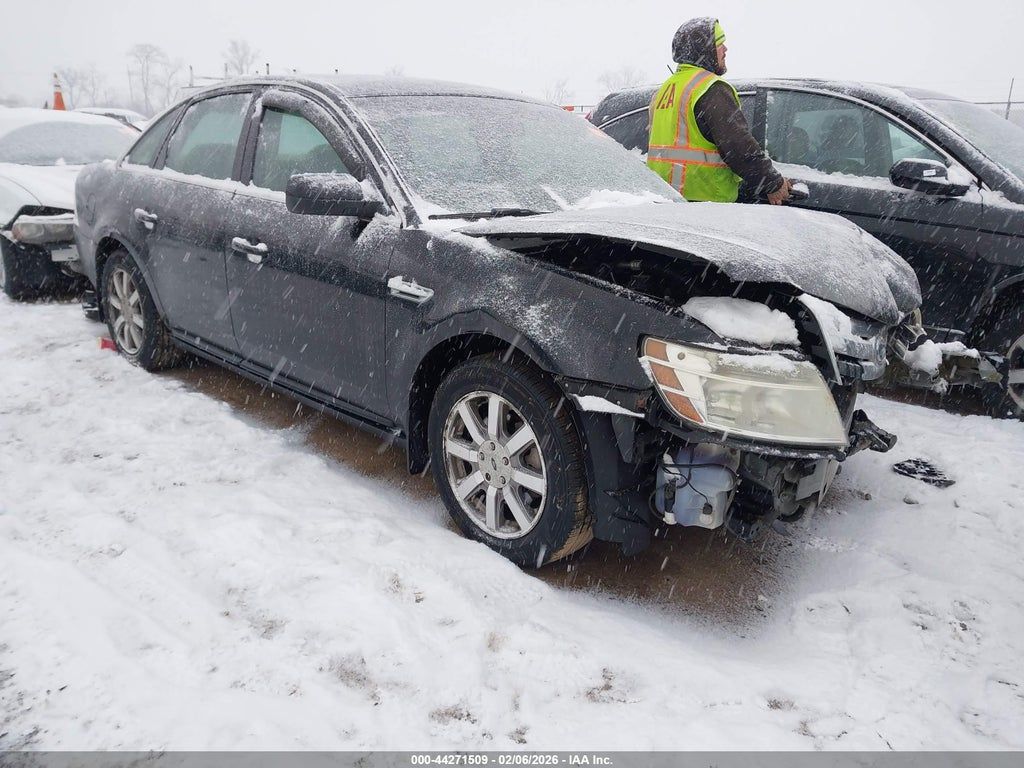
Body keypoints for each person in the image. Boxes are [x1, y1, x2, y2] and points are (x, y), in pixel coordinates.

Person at [647, 17, 792, 204]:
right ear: (703, 49)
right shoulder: (709, 88)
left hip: (664, 203)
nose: (725, 49)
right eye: (719, 43)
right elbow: (738, 146)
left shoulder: (665, 90)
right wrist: (771, 182)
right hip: (706, 206)